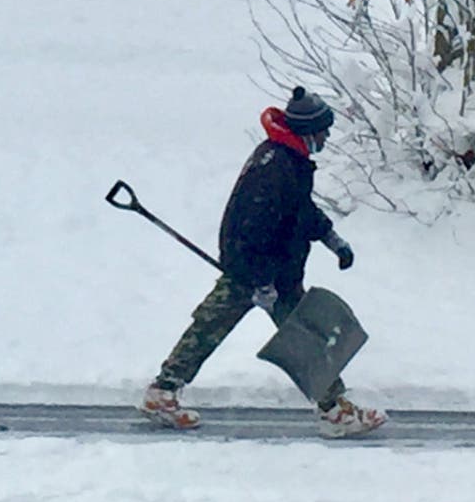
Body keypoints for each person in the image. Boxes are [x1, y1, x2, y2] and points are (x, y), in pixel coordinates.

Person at [139, 86, 388, 438]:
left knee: (230, 328)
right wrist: (260, 282)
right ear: (308, 131)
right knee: (280, 334)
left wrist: (332, 239)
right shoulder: (274, 168)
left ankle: (163, 392)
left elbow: (299, 209)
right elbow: (250, 227)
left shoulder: (289, 159)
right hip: (256, 271)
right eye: (323, 131)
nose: (327, 138)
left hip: (273, 271)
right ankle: (334, 412)